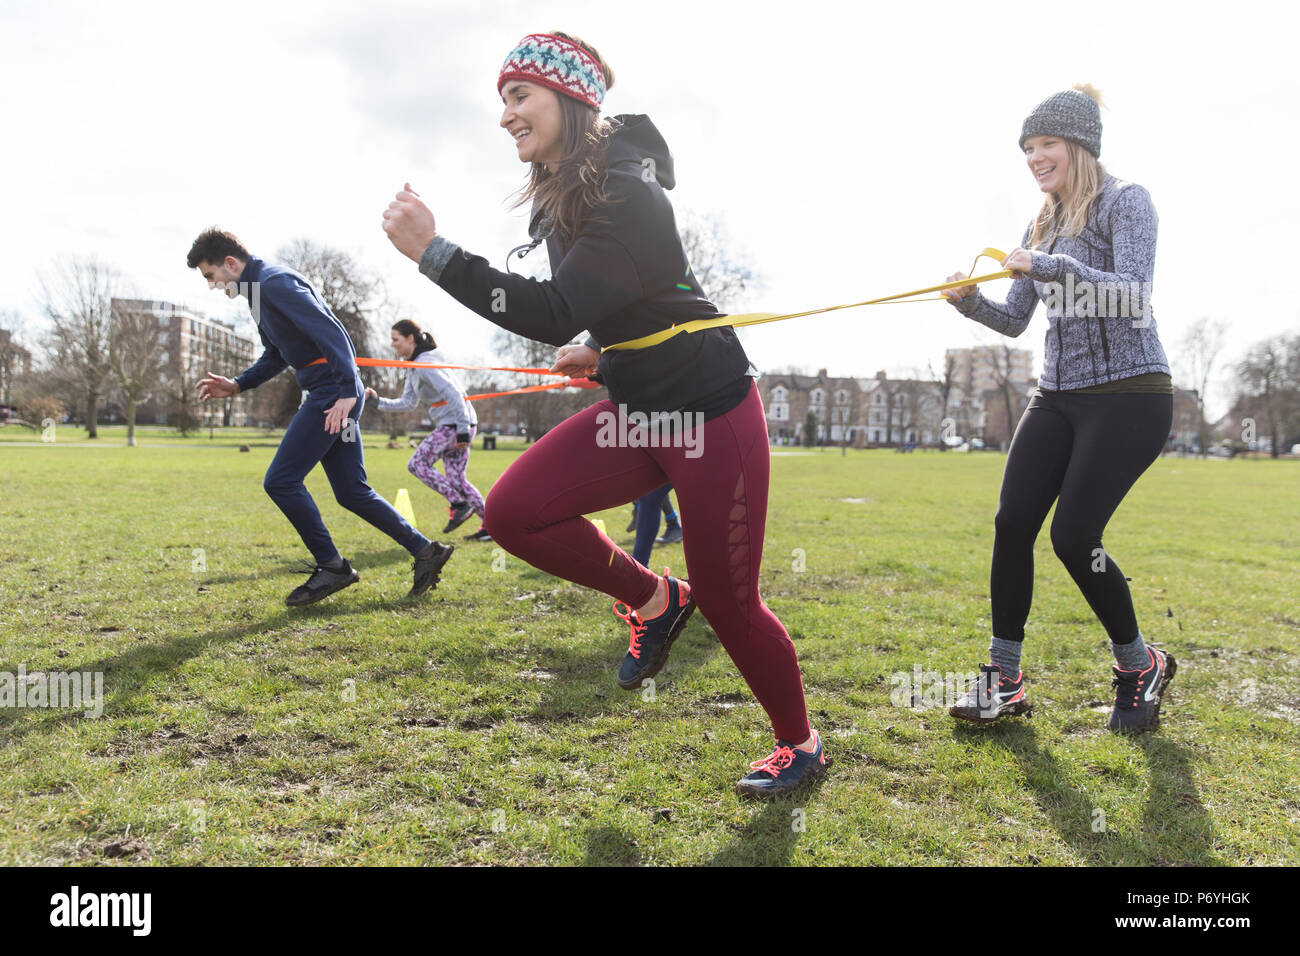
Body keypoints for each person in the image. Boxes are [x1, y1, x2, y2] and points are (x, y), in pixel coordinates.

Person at [381, 31, 827, 797]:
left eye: (519, 97)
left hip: (709, 412)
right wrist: (605, 351)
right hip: (640, 410)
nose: (505, 117)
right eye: (504, 101)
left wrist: (435, 254)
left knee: (731, 600)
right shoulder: (572, 192)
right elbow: (611, 300)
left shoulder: (626, 189)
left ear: (571, 100)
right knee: (517, 513)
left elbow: (555, 309)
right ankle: (656, 600)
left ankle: (801, 745)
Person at [942, 85, 1176, 733]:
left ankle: (1139, 664)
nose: (1034, 157)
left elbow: (1132, 295)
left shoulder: (1127, 203)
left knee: (1074, 537)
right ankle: (1004, 680)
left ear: (1079, 147)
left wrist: (1048, 265)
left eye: (1045, 145)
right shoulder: (1038, 222)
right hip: (1058, 397)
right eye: (1026, 148)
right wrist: (969, 303)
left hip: (1131, 395)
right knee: (1012, 521)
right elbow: (1016, 321)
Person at [188, 229, 455, 606]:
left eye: (210, 276)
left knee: (281, 481)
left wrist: (348, 390)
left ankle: (332, 567)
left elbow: (332, 331)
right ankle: (426, 551)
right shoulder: (259, 293)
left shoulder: (272, 282)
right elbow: (277, 354)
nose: (212, 286)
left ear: (230, 263)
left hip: (332, 396)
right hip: (332, 393)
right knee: (352, 492)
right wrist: (237, 384)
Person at [364, 319, 485, 534]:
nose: (392, 344)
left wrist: (463, 429)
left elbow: (454, 394)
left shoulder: (425, 365)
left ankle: (459, 504)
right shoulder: (414, 367)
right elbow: (408, 403)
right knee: (457, 480)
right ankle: (491, 525)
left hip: (455, 424)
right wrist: (377, 402)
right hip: (460, 423)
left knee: (417, 464)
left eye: (396, 339)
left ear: (410, 339)